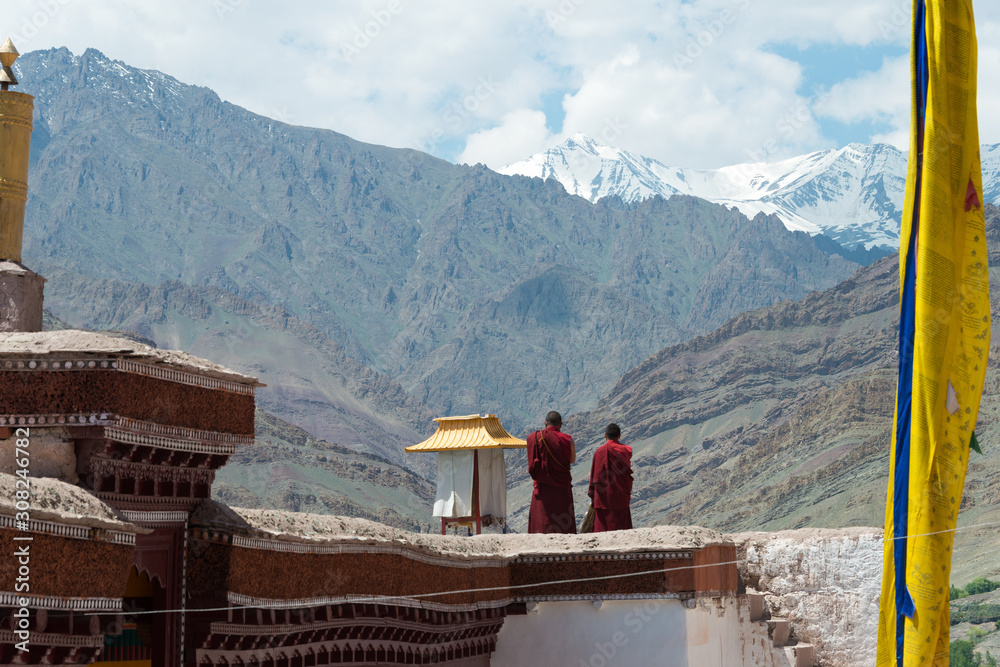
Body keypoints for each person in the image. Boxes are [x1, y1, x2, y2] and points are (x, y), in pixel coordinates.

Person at [526, 410, 577, 533]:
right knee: (563, 528)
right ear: (561, 424)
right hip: (562, 491)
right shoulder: (567, 439)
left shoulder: (535, 437)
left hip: (543, 490)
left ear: (545, 423)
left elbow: (532, 466)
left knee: (542, 525)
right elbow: (572, 460)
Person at [587, 423, 633, 532]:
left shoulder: (599, 452)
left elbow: (595, 476)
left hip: (604, 497)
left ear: (605, 435)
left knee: (602, 528)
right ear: (620, 436)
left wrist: (593, 493)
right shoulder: (626, 450)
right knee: (622, 525)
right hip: (621, 494)